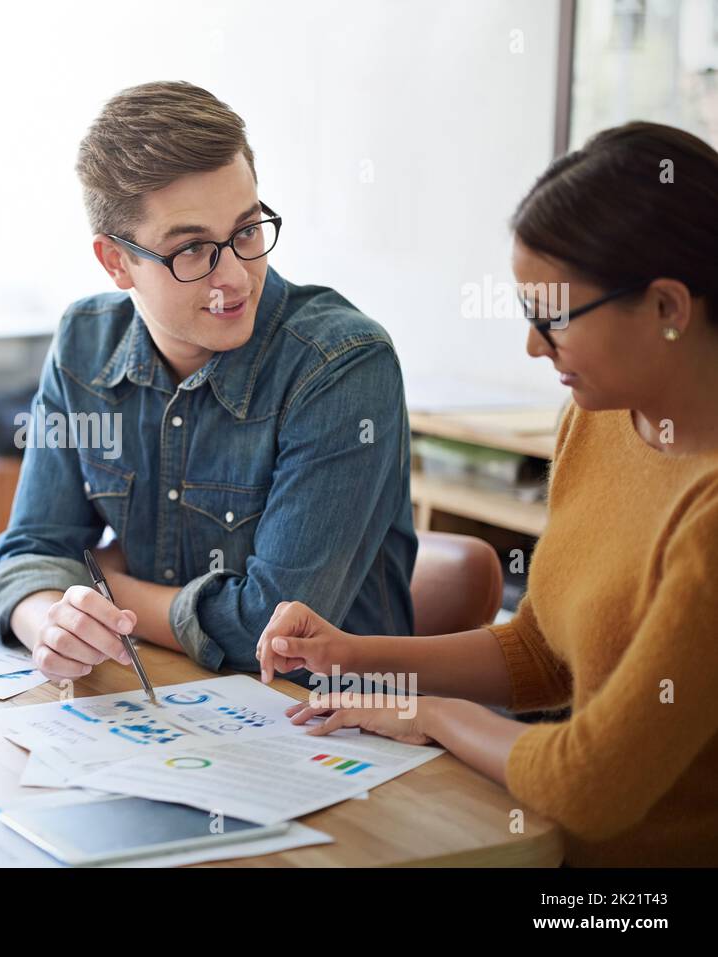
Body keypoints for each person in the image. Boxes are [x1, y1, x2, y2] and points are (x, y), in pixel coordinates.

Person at [262, 121, 718, 866]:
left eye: (553, 319)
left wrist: (432, 713)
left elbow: (591, 782)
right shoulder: (601, 419)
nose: (534, 347)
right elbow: (545, 651)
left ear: (668, 308)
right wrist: (355, 655)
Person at [0, 81, 417, 684]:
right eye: (192, 250)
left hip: (329, 726)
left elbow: (274, 636)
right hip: (171, 700)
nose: (234, 277)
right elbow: (29, 554)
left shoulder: (342, 365)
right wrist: (52, 623)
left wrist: (105, 581)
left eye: (247, 231)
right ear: (116, 262)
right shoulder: (84, 343)